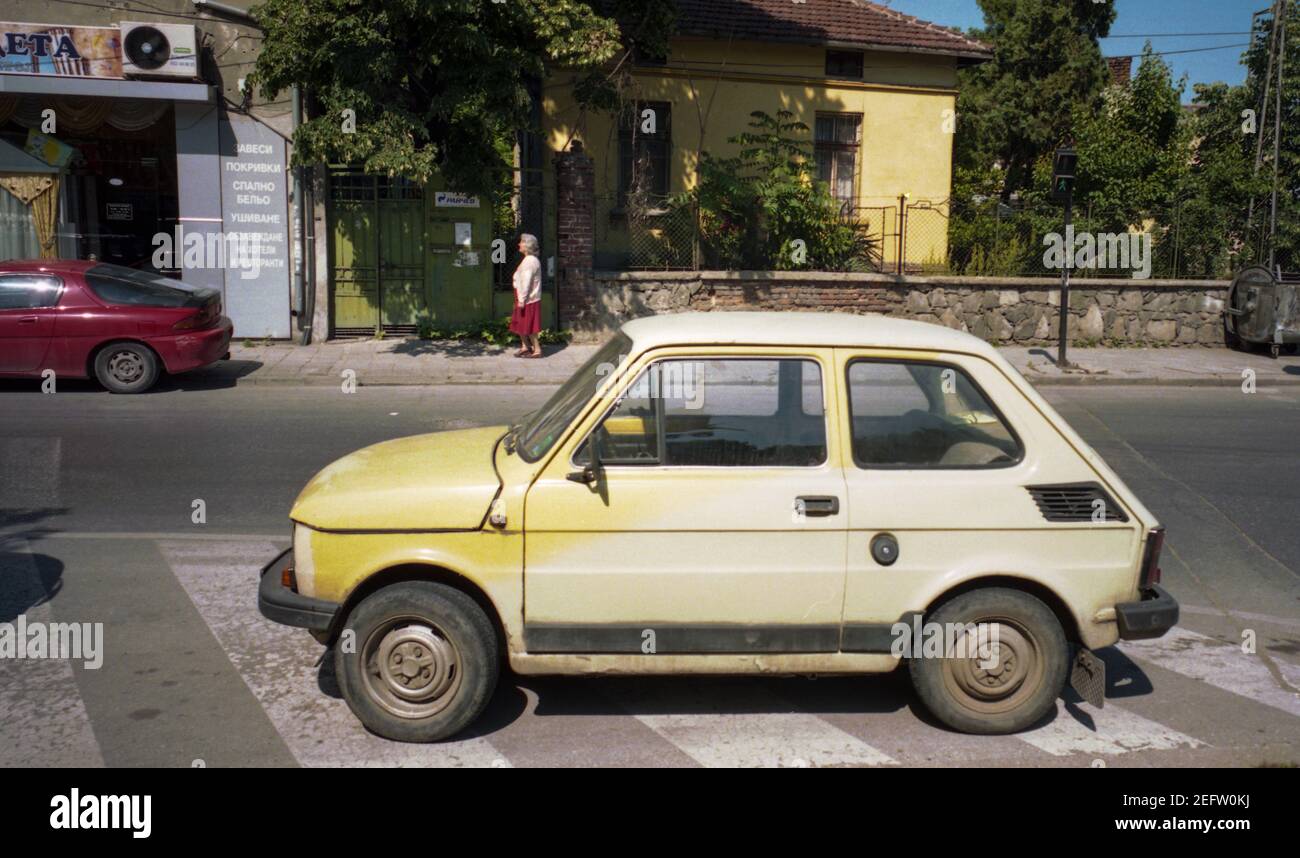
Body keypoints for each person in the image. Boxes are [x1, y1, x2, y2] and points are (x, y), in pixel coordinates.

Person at [510, 233, 543, 358]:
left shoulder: (529, 261)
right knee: (520, 323)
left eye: (522, 242)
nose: (519, 244)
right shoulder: (529, 260)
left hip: (528, 298)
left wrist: (522, 299)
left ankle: (537, 349)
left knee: (528, 324)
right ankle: (525, 346)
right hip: (524, 296)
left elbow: (526, 282)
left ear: (527, 245)